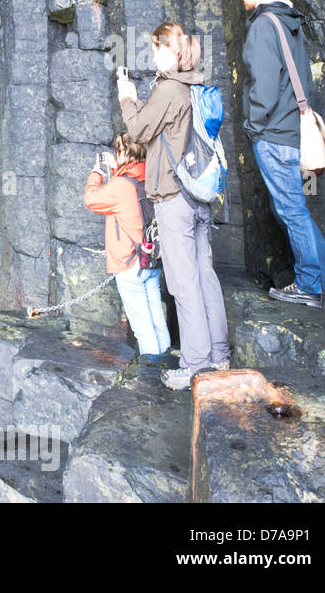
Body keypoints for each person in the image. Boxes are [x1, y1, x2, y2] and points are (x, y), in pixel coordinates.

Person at [236, 0, 325, 309]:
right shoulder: (288, 22)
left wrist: (254, 128)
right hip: (292, 133)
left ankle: (312, 285)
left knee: (291, 211)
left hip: (274, 136)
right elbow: (305, 85)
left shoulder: (262, 26)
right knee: (291, 208)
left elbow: (265, 89)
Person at [118, 22, 230, 391]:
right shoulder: (194, 85)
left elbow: (137, 132)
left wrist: (127, 98)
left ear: (169, 50)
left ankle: (195, 363)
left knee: (183, 283)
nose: (153, 55)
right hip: (198, 196)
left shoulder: (169, 89)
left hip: (173, 198)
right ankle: (218, 354)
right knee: (205, 275)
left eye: (155, 49)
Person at [84, 133, 172, 359]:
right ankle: (165, 364)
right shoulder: (151, 176)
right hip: (152, 259)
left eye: (118, 151)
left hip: (129, 264)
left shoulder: (119, 186)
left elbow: (91, 199)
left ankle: (152, 376)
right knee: (156, 319)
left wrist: (97, 173)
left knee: (142, 328)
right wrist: (116, 170)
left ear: (124, 153)